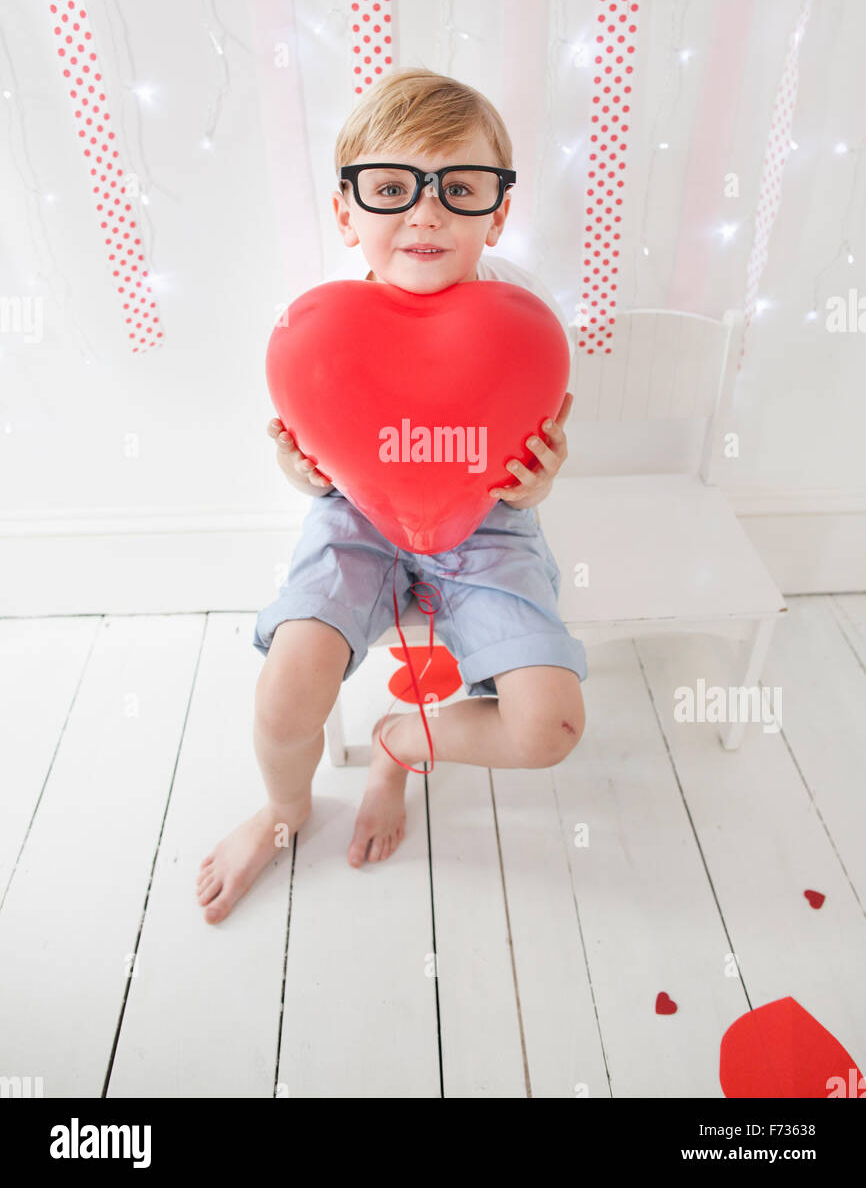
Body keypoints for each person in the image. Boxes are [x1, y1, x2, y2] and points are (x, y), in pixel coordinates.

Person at [196, 68, 588, 923]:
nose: (426, 211)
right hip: (359, 519)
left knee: (550, 726)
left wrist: (542, 479)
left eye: (460, 187)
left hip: (488, 524)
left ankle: (401, 741)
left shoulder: (524, 311)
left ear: (499, 210)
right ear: (346, 212)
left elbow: (536, 428)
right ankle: (286, 811)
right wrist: (301, 475)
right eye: (390, 189)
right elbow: (317, 450)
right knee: (286, 690)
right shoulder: (320, 323)